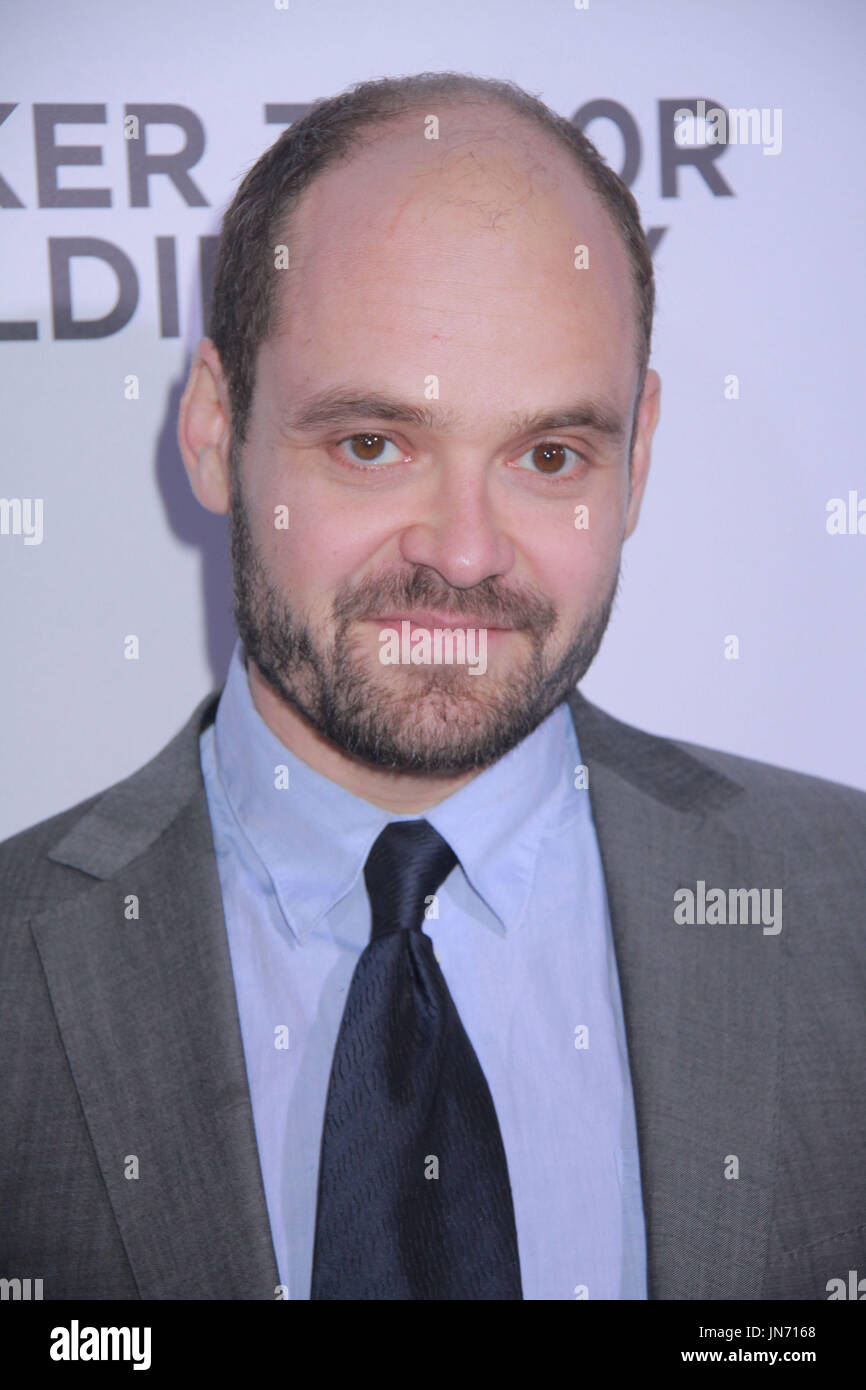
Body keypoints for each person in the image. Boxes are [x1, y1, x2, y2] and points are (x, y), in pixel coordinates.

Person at [1, 71, 864, 1302]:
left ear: (639, 456)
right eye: (370, 445)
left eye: (549, 454)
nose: (462, 553)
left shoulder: (844, 915)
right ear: (211, 426)